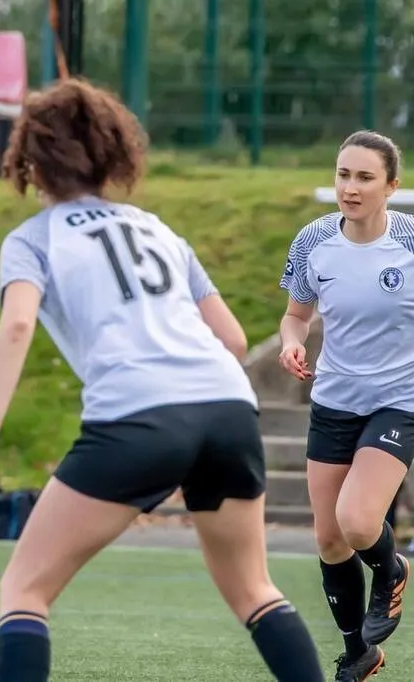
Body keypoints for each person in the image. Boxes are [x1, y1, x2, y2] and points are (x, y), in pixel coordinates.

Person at [0, 77, 325, 682]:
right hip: (227, 409)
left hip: (139, 418)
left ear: (30, 162)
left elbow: (17, 326)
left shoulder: (33, 240)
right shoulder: (157, 229)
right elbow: (230, 339)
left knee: (24, 589)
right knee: (254, 589)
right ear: (111, 151)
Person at [278, 130, 413, 680]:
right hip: (334, 400)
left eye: (364, 177)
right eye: (342, 175)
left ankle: (392, 570)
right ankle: (359, 651)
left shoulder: (409, 242)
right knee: (330, 538)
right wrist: (291, 341)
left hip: (398, 401)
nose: (350, 188)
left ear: (391, 186)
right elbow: (297, 315)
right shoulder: (313, 240)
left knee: (358, 522)